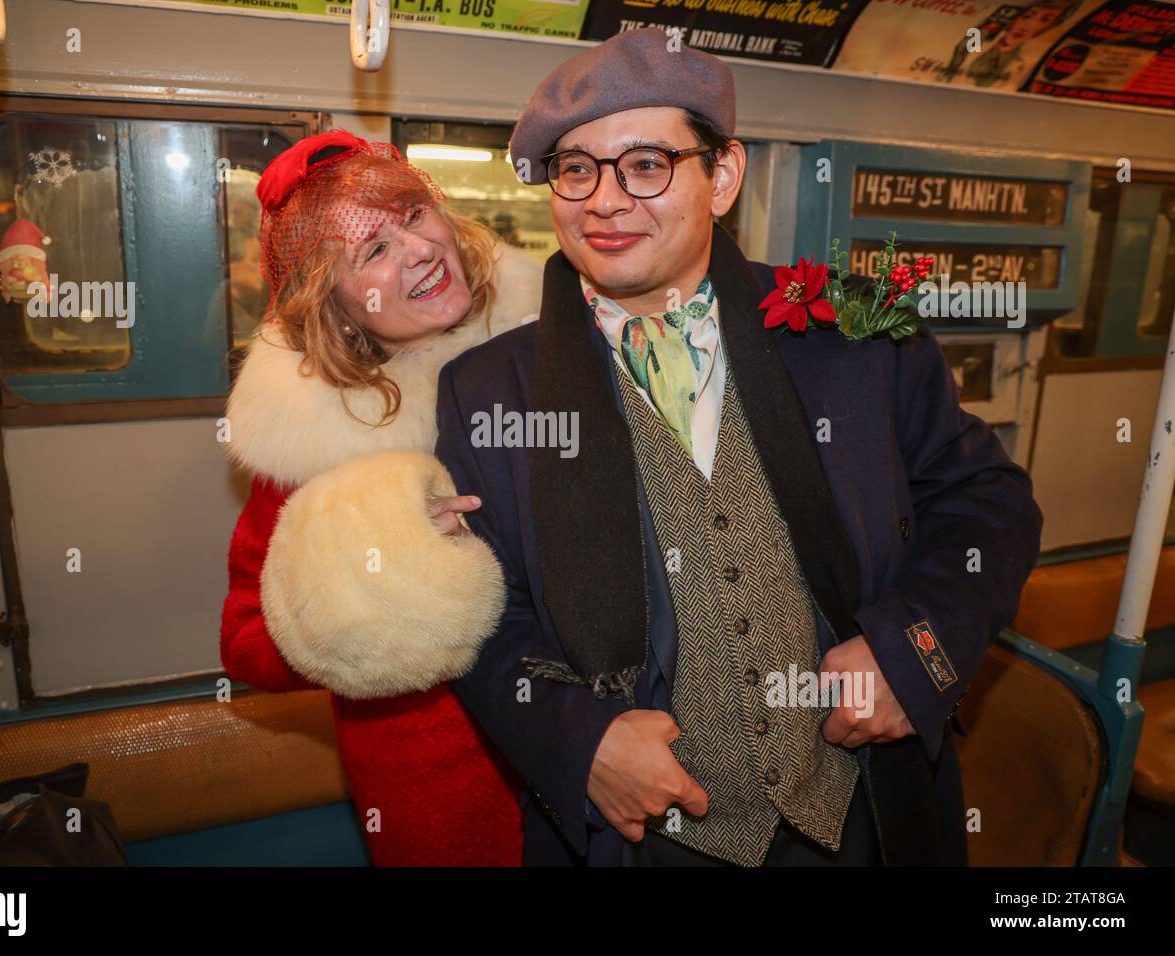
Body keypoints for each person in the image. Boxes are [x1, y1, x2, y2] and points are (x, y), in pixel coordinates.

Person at [434, 28, 1043, 866]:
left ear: (721, 177)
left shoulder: (852, 334)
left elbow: (988, 501)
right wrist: (582, 744)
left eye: (646, 163)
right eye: (576, 168)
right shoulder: (487, 392)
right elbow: (474, 612)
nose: (604, 201)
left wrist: (915, 653)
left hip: (861, 812)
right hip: (644, 841)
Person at [220, 129, 543, 865]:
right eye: (372, 253)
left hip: (597, 751)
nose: (419, 249)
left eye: (412, 215)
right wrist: (371, 570)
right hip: (446, 792)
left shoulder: (551, 345)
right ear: (334, 308)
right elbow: (244, 642)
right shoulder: (309, 440)